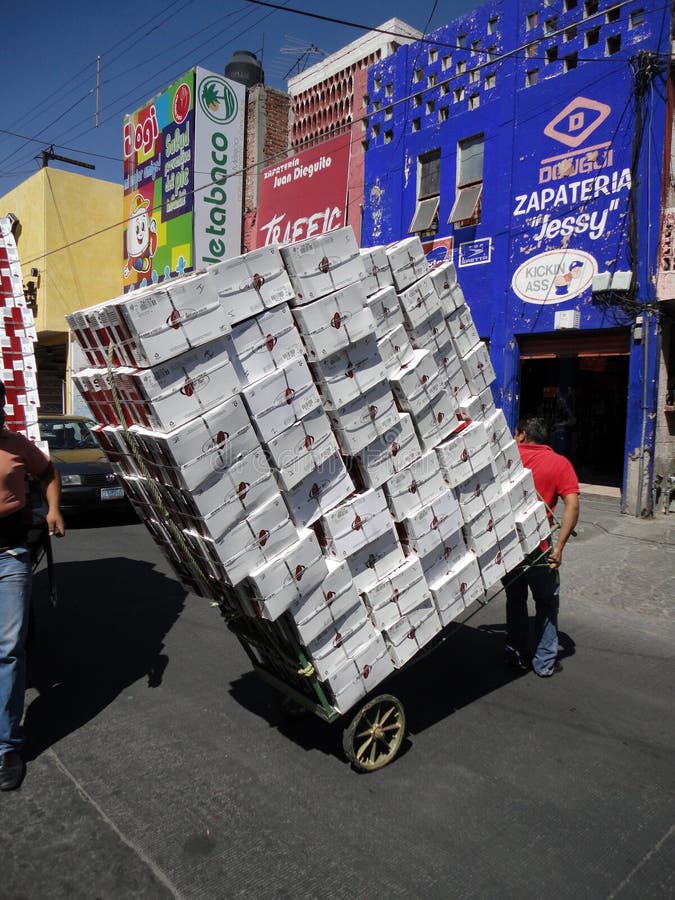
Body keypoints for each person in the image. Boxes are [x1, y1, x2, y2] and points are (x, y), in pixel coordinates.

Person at [0, 381, 65, 790]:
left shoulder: (15, 444)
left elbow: (48, 472)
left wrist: (54, 510)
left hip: (9, 555)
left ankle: (6, 746)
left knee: (8, 649)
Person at [503, 415, 579, 678]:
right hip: (541, 549)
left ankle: (516, 654)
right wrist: (559, 547)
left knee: (515, 599)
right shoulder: (560, 464)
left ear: (522, 435)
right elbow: (573, 505)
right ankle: (544, 663)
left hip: (509, 547)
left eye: (515, 434)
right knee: (546, 604)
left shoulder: (505, 460)